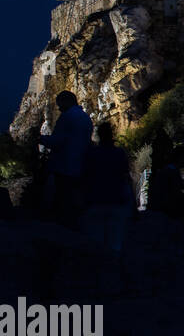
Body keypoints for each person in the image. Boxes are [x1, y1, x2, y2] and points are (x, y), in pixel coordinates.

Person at [37, 91, 93, 228]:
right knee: (75, 199)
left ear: (67, 102)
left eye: (59, 104)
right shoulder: (85, 117)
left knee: (62, 199)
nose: (58, 108)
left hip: (64, 166)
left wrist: (40, 139)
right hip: (80, 165)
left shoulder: (67, 117)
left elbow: (58, 141)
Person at [83, 121, 134, 256]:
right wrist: (133, 205)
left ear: (98, 135)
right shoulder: (119, 153)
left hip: (96, 201)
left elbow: (85, 178)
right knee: (115, 244)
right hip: (116, 201)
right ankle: (113, 271)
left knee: (96, 245)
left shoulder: (92, 154)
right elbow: (126, 178)